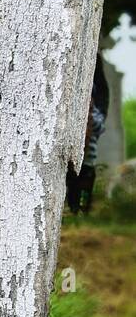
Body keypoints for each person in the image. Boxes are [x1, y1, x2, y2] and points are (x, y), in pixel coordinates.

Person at [66, 52, 109, 215]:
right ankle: (73, 207)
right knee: (74, 175)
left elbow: (102, 95)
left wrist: (96, 119)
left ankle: (83, 207)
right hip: (77, 129)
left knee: (87, 171)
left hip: (90, 130)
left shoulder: (95, 63)